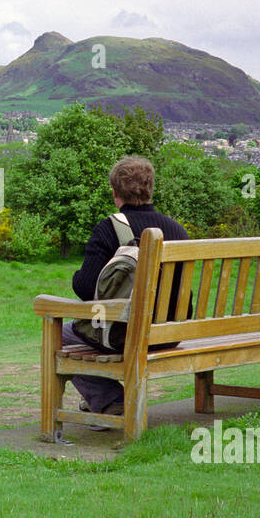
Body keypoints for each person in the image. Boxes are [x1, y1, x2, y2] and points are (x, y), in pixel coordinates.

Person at [63, 155, 189, 425]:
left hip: (126, 335)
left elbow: (86, 288)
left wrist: (77, 276)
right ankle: (100, 400)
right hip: (171, 333)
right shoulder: (177, 230)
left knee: (62, 332)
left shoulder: (109, 229)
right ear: (150, 189)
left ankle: (110, 400)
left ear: (115, 193)